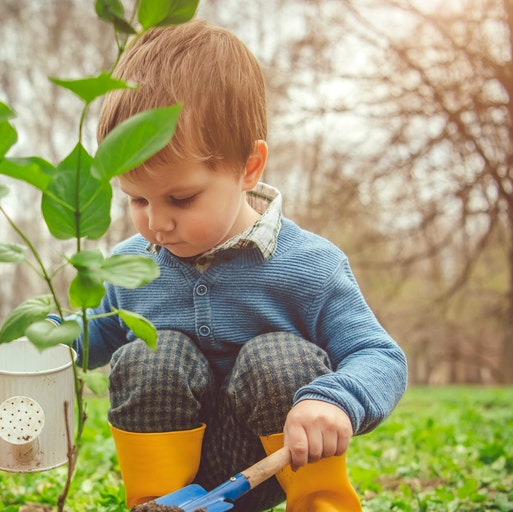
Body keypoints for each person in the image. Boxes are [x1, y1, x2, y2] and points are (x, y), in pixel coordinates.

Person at [80, 19, 409, 511]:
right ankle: (160, 506)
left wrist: (336, 399)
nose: (157, 223)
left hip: (277, 460)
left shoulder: (310, 266)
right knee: (151, 352)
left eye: (181, 198)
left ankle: (319, 504)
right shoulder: (130, 265)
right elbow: (98, 331)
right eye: (137, 200)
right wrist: (46, 340)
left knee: (275, 356)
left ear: (248, 168)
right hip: (174, 462)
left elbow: (380, 355)